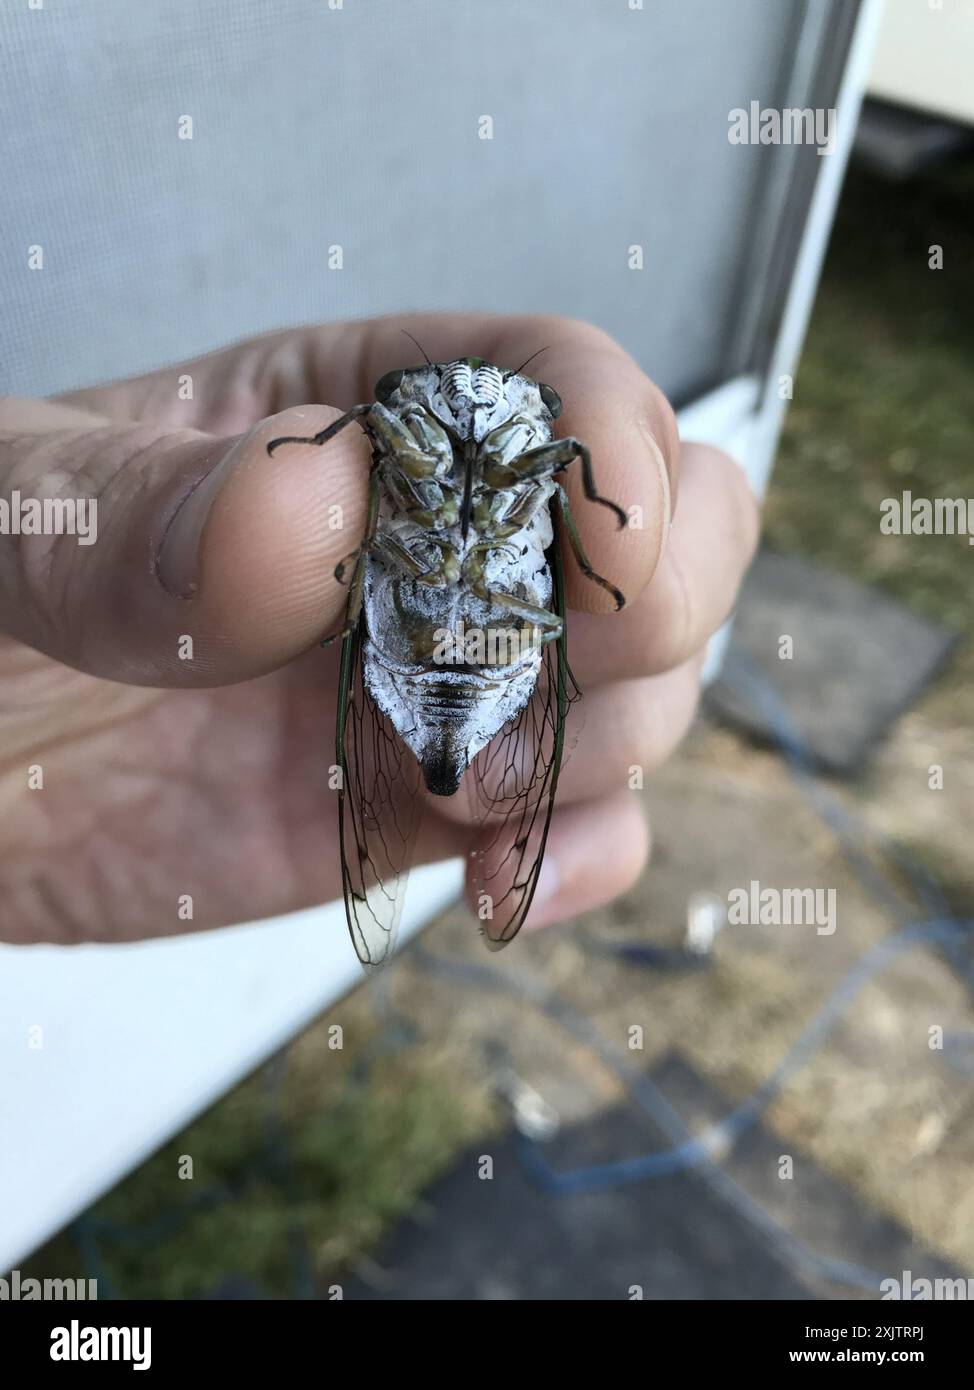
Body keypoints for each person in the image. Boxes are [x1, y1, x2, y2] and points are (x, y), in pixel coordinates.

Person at [0, 313, 758, 946]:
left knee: (586, 564)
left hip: (497, 627)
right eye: (413, 399)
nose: (465, 405)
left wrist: (590, 557)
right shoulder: (391, 441)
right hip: (412, 614)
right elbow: (365, 430)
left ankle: (470, 715)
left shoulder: (545, 463)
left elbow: (573, 474)